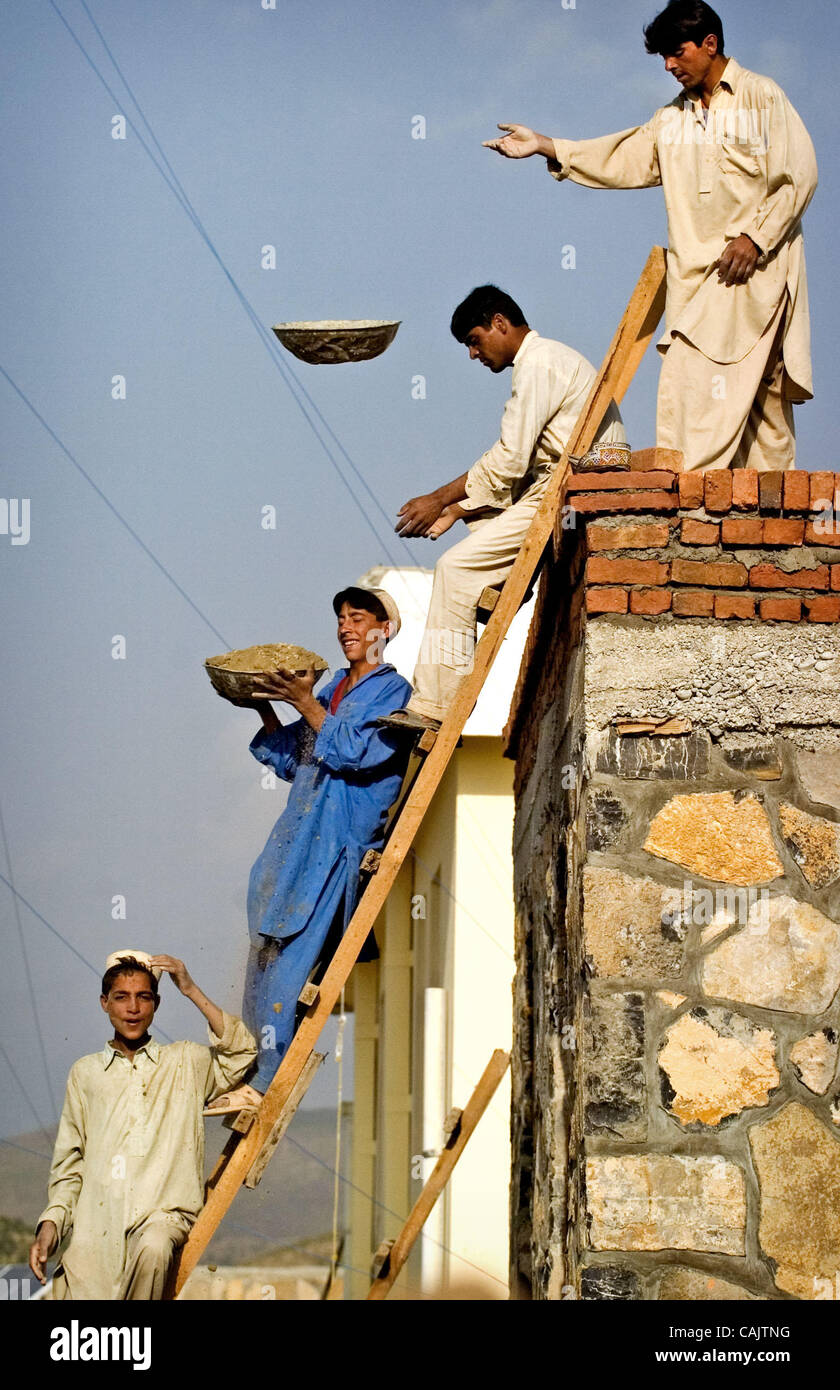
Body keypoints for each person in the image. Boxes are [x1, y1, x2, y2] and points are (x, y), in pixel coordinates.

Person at [483, 0, 817, 474]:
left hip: (753, 276)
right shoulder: (671, 120)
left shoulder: (760, 97)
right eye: (662, 57)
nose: (668, 66)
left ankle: (745, 516)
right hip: (698, 280)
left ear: (710, 43)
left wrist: (755, 239)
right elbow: (623, 156)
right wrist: (547, 145)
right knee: (692, 389)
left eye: (676, 53)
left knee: (758, 408)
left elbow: (799, 176)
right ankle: (715, 525)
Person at [380, 284, 625, 730]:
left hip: (573, 486)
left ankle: (435, 707)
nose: (474, 354)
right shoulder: (543, 361)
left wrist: (440, 498)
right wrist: (461, 510)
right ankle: (439, 694)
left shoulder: (540, 363)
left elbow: (510, 461)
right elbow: (517, 469)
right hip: (552, 485)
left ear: (499, 323)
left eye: (474, 341)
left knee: (455, 571)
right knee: (469, 539)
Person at [207, 586, 412, 1110]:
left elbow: (357, 752)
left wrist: (304, 703)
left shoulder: (393, 692)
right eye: (341, 618)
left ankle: (268, 1078)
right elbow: (293, 759)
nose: (345, 626)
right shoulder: (334, 689)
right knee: (265, 939)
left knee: (293, 946)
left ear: (382, 630)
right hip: (298, 836)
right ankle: (252, 1065)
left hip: (339, 840)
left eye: (358, 617)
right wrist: (266, 710)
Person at [28, 951, 256, 1300]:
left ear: (156, 1003)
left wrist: (190, 987)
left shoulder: (185, 1062)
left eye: (143, 997)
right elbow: (69, 1166)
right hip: (96, 1238)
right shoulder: (85, 1074)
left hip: (163, 1219)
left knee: (153, 1247)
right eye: (121, 997)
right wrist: (50, 1227)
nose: (133, 1008)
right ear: (105, 1003)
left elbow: (241, 1051)